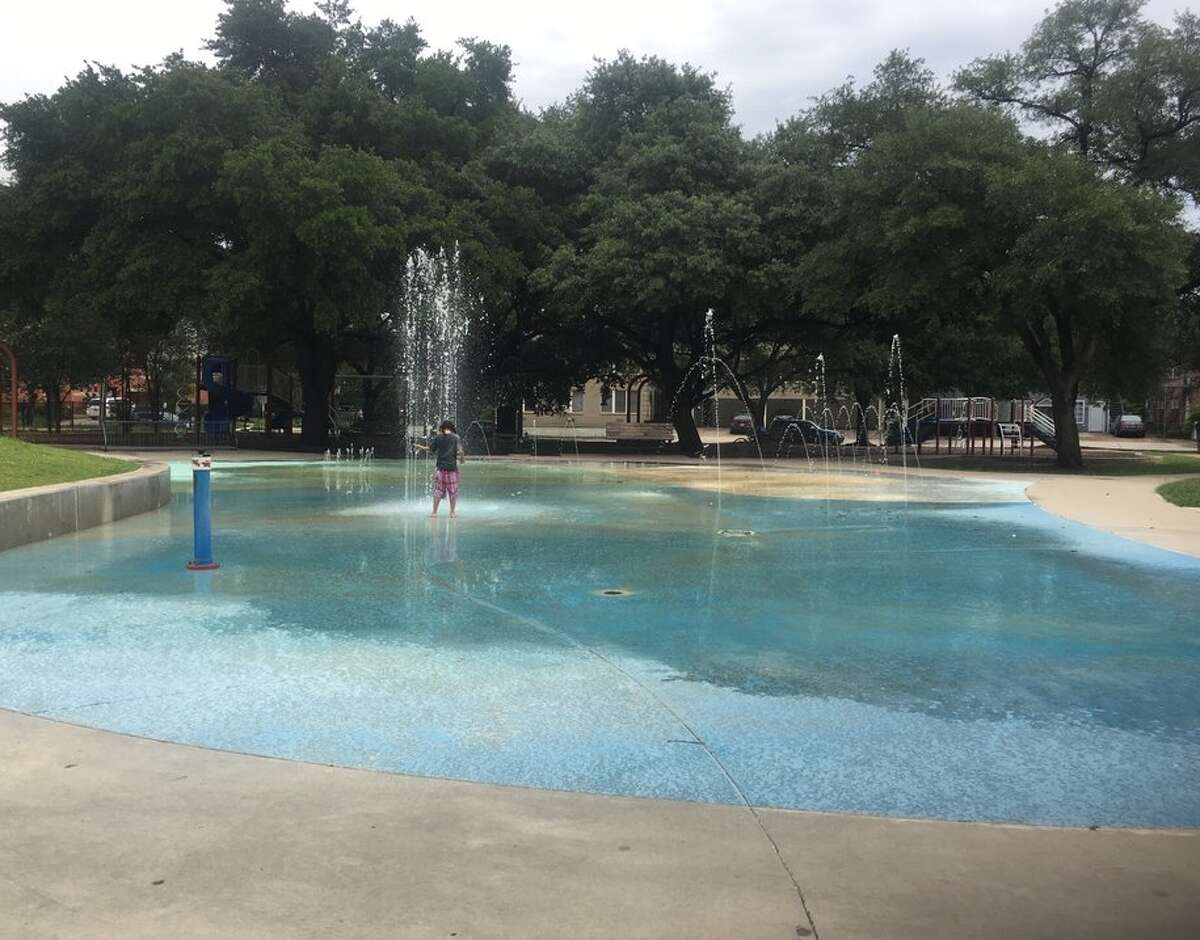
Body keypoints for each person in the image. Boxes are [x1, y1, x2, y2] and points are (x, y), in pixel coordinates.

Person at [421, 420, 464, 517]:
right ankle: (452, 512)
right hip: (452, 468)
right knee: (453, 491)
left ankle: (434, 512)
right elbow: (461, 451)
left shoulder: (438, 437)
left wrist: (421, 447)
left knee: (438, 491)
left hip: (440, 468)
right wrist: (462, 459)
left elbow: (431, 449)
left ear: (442, 428)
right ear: (451, 428)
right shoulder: (456, 437)